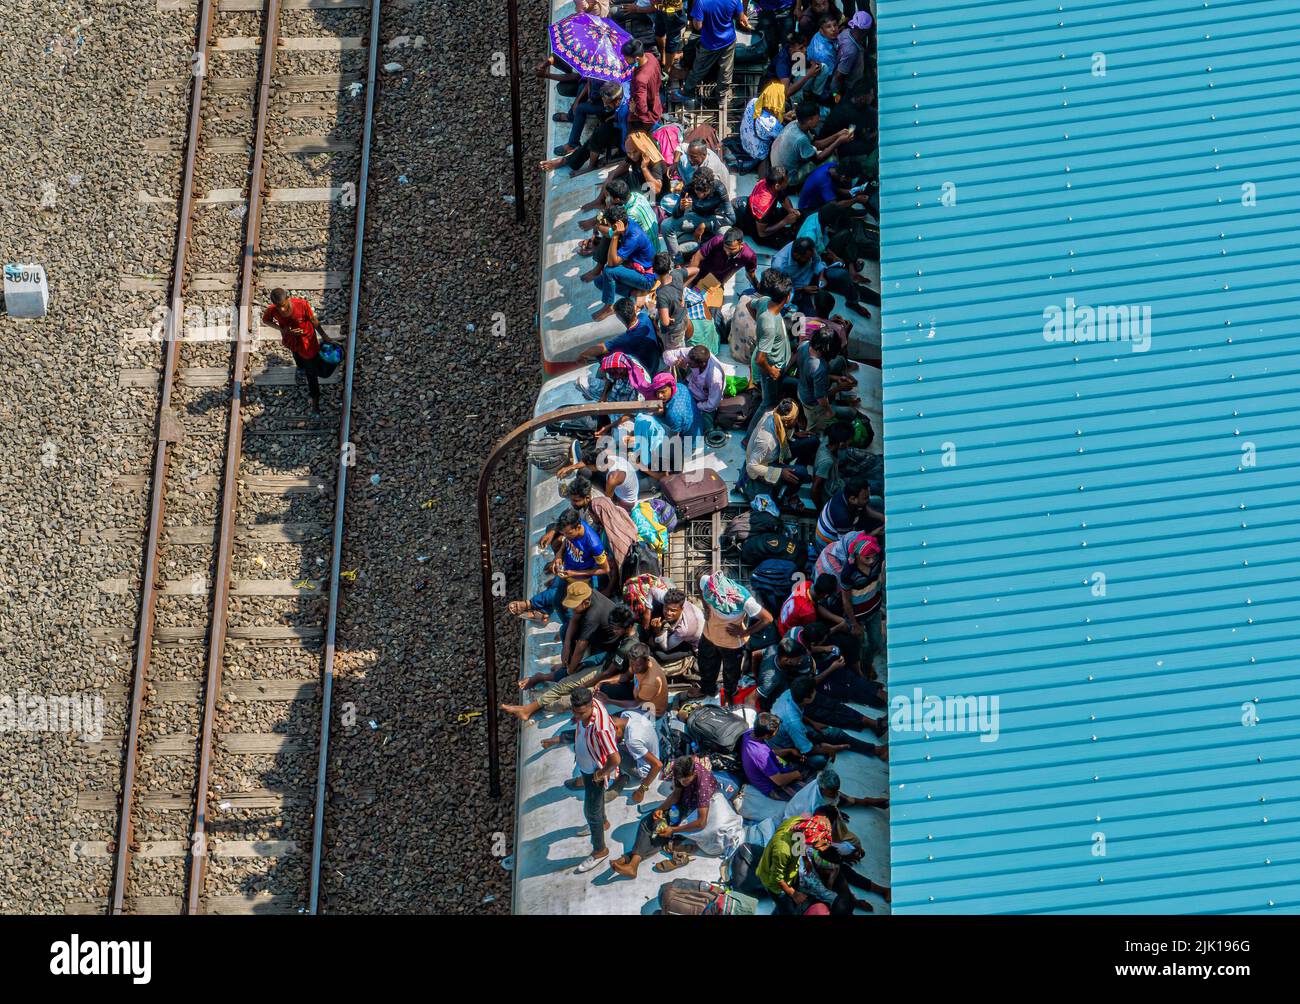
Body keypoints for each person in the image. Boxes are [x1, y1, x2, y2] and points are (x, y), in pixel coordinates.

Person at [500, 599, 639, 720]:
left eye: (616, 628)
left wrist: (588, 683)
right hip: (607, 658)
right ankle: (541, 681)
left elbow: (609, 672)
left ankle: (529, 709)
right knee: (571, 671)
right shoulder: (632, 633)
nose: (613, 630)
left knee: (565, 686)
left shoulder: (625, 648)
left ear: (626, 627)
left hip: (607, 669)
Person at [609, 754, 744, 876]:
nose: (683, 782)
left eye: (687, 780)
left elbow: (701, 822)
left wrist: (673, 830)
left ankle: (629, 860)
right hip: (685, 804)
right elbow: (676, 794)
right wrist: (660, 809)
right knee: (648, 822)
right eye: (681, 780)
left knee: (661, 833)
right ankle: (631, 862)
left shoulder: (704, 784)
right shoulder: (678, 771)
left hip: (698, 810)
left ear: (694, 772)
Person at [697, 572, 773, 705]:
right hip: (709, 635)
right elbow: (699, 581)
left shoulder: (744, 600)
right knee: (706, 665)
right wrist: (705, 605)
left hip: (731, 644)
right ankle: (707, 689)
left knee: (731, 673)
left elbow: (767, 618)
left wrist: (744, 632)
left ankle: (728, 694)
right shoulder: (711, 584)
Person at [814, 529, 885, 672]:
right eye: (867, 558)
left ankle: (867, 664)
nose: (872, 561)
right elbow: (846, 601)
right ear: (857, 556)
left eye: (874, 557)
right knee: (859, 644)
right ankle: (863, 669)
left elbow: (880, 577)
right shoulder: (847, 573)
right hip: (857, 617)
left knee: (876, 643)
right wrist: (854, 624)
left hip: (874, 610)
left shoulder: (878, 559)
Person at [569, 688, 621, 873]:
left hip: (594, 772)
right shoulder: (591, 704)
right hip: (586, 765)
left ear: (591, 706)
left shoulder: (601, 728)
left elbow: (615, 759)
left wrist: (601, 774)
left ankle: (600, 850)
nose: (576, 716)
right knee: (596, 808)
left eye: (581, 713)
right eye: (574, 711)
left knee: (591, 810)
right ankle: (603, 822)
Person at [538, 81, 628, 175]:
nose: (605, 106)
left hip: (626, 135)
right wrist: (614, 117)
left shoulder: (625, 113)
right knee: (598, 133)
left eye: (607, 104)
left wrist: (622, 152)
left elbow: (626, 136)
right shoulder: (623, 89)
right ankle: (567, 160)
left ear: (618, 100)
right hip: (618, 120)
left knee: (598, 136)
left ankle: (589, 166)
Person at [671, 0, 751, 105]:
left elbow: (697, 26)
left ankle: (687, 92)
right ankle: (722, 97)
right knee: (726, 70)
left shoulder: (701, 2)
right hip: (728, 41)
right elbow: (740, 17)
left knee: (699, 68)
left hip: (709, 43)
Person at [746, 269, 795, 438]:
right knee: (768, 403)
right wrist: (772, 371)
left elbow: (748, 305)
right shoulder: (769, 324)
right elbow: (760, 359)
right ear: (787, 297)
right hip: (771, 368)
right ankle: (749, 437)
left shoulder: (765, 301)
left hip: (774, 358)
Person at [743, 398, 820, 505]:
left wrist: (793, 434)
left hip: (779, 451)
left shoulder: (774, 415)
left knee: (813, 441)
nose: (797, 421)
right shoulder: (765, 441)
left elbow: (782, 430)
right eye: (795, 419)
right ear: (788, 421)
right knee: (802, 472)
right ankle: (788, 495)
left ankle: (794, 472)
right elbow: (751, 467)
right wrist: (780, 473)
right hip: (767, 464)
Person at [262, 288, 324, 417]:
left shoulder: (301, 305)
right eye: (279, 307)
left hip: (307, 342)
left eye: (284, 306)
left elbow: (313, 321)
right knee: (296, 355)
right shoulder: (273, 310)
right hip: (292, 341)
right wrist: (282, 330)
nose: (282, 310)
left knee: (311, 373)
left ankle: (315, 404)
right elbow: (266, 320)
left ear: (288, 298)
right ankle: (300, 367)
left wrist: (324, 336)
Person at [757, 813, 834, 913]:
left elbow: (800, 840)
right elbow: (776, 878)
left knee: (795, 887)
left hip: (790, 871)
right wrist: (793, 894)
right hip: (776, 884)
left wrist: (805, 859)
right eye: (812, 844)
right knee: (786, 909)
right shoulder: (782, 850)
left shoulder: (798, 822)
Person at [591, 205, 658, 319]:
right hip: (634, 268)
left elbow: (612, 263)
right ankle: (636, 293)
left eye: (609, 224)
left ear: (617, 225)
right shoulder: (627, 223)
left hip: (647, 277)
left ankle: (608, 307)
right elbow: (608, 232)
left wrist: (615, 236)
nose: (609, 226)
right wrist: (598, 226)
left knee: (609, 270)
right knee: (599, 282)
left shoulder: (633, 236)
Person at [769, 101, 851, 186]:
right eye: (817, 117)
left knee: (822, 151)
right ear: (810, 120)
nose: (819, 120)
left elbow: (816, 144)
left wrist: (837, 135)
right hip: (787, 178)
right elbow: (817, 160)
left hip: (778, 168)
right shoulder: (801, 139)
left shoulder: (794, 124)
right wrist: (839, 141)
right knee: (832, 160)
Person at [576, 296, 661, 376]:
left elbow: (601, 347)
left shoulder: (625, 339)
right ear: (634, 309)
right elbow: (649, 307)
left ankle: (608, 381)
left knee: (602, 355)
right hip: (655, 362)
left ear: (619, 317)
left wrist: (582, 354)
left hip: (646, 371)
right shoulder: (644, 317)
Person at [662, 165, 734, 257]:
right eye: (697, 193)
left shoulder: (719, 188)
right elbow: (675, 215)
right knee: (666, 225)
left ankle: (717, 262)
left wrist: (705, 225)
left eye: (704, 193)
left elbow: (731, 218)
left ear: (711, 187)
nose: (700, 196)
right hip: (696, 217)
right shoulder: (689, 187)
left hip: (716, 219)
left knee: (728, 237)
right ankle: (677, 259)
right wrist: (681, 207)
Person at [663, 343, 724, 433]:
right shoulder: (692, 353)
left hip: (705, 401)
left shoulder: (715, 379)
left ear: (702, 364)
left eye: (691, 363)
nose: (688, 363)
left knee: (703, 425)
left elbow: (712, 404)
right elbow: (667, 354)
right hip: (691, 385)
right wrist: (675, 362)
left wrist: (695, 406)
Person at [736, 166, 802, 248]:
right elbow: (762, 233)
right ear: (777, 186)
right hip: (758, 230)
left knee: (799, 215)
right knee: (792, 244)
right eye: (786, 181)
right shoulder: (764, 207)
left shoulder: (767, 182)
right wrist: (785, 222)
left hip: (765, 216)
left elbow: (782, 197)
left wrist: (790, 209)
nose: (787, 182)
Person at [598, 642, 670, 714]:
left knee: (612, 719)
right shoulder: (640, 660)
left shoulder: (651, 683)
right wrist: (602, 681)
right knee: (603, 689)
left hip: (649, 710)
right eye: (631, 664)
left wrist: (607, 700)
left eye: (638, 665)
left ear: (647, 661)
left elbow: (635, 704)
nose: (634, 668)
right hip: (638, 692)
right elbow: (626, 676)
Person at [686, 227, 760, 290]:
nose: (727, 252)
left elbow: (750, 274)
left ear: (741, 244)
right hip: (701, 272)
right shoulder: (717, 241)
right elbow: (696, 258)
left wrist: (757, 287)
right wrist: (686, 285)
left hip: (717, 281)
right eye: (725, 248)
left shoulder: (749, 256)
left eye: (732, 249)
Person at [815, 478, 884, 545]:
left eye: (869, 495)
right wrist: (873, 533)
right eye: (865, 498)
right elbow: (848, 544)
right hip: (831, 542)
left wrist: (882, 517)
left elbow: (864, 507)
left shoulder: (847, 494)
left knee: (877, 503)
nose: (868, 500)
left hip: (844, 528)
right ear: (853, 499)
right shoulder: (842, 517)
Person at [648, 585, 705, 663]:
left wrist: (657, 632)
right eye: (666, 608)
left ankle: (690, 653)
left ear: (682, 609)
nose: (668, 613)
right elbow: (652, 590)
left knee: (660, 655)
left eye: (673, 610)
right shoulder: (669, 599)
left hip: (691, 641)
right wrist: (647, 613)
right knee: (656, 606)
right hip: (680, 625)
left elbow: (666, 647)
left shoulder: (684, 629)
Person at [771, 236, 825, 318]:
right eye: (807, 258)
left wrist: (821, 277)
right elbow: (780, 289)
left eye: (811, 257)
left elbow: (817, 261)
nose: (810, 260)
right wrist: (803, 289)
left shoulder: (809, 250)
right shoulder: (779, 266)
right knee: (810, 316)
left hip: (810, 280)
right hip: (794, 290)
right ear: (796, 255)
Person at [622, 38, 663, 134]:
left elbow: (642, 108)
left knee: (631, 142)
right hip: (656, 104)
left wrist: (633, 110)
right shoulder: (650, 56)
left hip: (644, 119)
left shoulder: (640, 79)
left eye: (626, 57)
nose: (625, 59)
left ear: (636, 58)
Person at [651, 251, 690, 350]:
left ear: (654, 271)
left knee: (674, 351)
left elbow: (665, 322)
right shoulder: (677, 274)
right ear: (669, 268)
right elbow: (696, 270)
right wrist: (683, 289)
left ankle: (675, 364)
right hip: (684, 317)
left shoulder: (662, 295)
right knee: (680, 341)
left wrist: (667, 318)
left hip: (674, 328)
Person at [832, 10, 872, 97]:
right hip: (851, 87)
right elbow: (839, 75)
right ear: (865, 31)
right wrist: (838, 94)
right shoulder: (851, 51)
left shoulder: (846, 32)